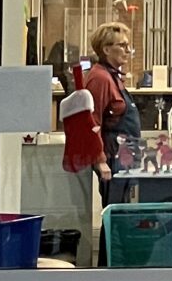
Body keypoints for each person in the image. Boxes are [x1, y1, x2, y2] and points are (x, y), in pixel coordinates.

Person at [58, 20, 146, 257]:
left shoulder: (114, 76)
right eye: (122, 46)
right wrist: (100, 161)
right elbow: (92, 122)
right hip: (112, 156)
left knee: (121, 216)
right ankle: (109, 269)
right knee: (114, 217)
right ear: (106, 49)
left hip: (124, 154)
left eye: (128, 45)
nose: (127, 50)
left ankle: (119, 266)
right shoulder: (100, 78)